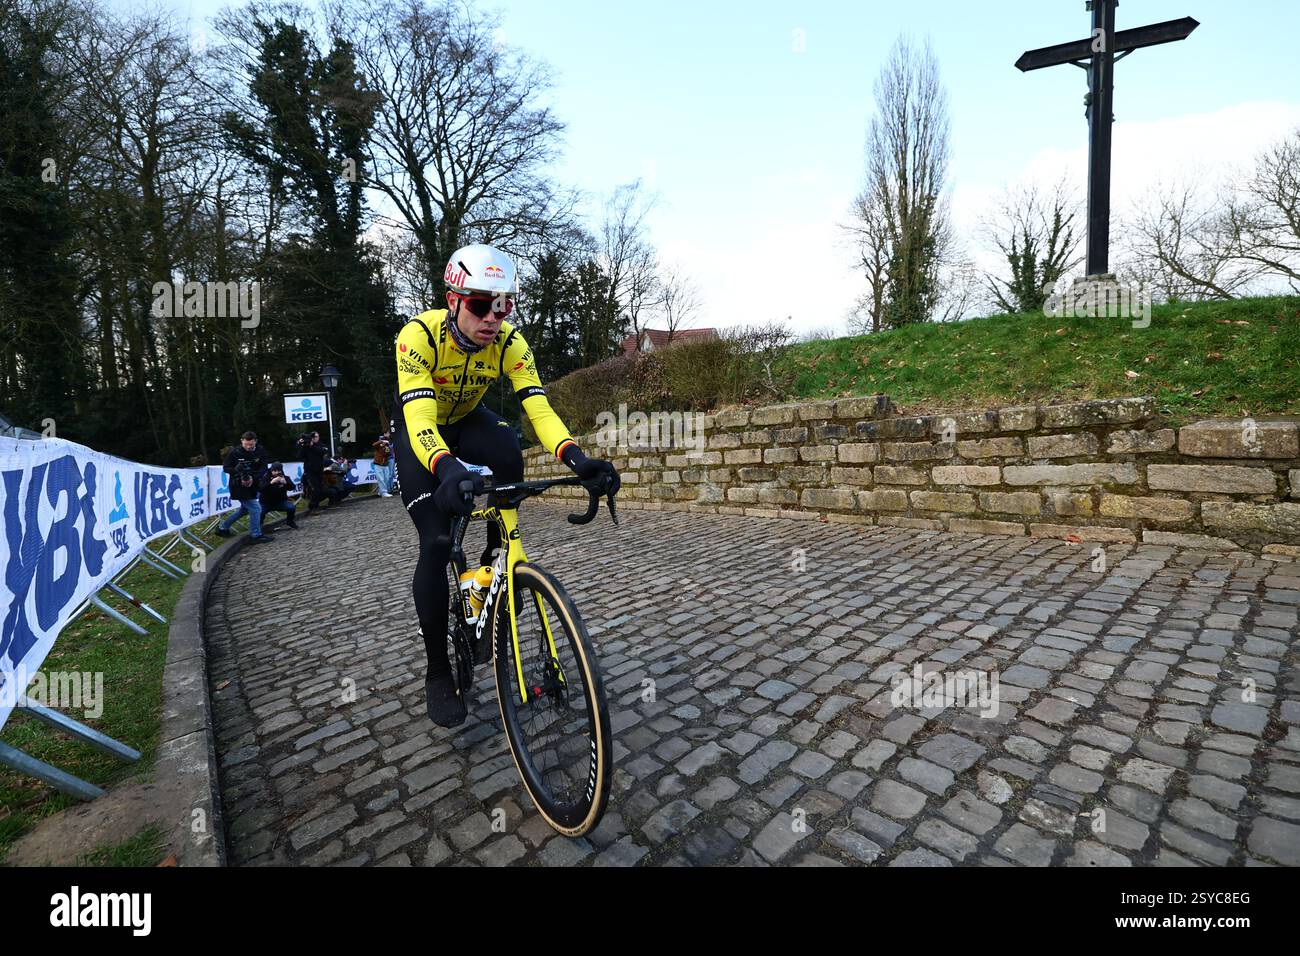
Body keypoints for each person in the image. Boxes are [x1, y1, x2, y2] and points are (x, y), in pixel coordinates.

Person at [394, 242, 619, 727]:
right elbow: (419, 416)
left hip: (469, 418)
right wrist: (445, 465)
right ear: (452, 300)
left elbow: (538, 409)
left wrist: (577, 457)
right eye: (480, 304)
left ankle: (498, 555)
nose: (493, 317)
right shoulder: (417, 338)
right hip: (422, 429)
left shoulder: (511, 342)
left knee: (507, 451)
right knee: (434, 541)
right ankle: (437, 672)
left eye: (504, 304)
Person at [216, 431, 274, 544]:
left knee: (244, 510)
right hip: (238, 485)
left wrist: (253, 477)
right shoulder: (234, 452)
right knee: (256, 509)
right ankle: (256, 535)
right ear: (241, 441)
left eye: (251, 445)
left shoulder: (260, 451)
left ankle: (222, 528)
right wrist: (237, 471)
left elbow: (263, 468)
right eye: (246, 444)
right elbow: (226, 468)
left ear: (255, 442)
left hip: (253, 484)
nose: (248, 447)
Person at [259, 461, 299, 529]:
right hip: (265, 503)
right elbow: (261, 489)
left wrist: (286, 483)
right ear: (271, 470)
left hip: (280, 502)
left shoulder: (285, 477)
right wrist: (271, 483)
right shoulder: (265, 478)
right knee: (260, 512)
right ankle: (259, 527)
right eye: (274, 471)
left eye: (279, 471)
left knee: (291, 507)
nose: (277, 472)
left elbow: (292, 487)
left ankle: (290, 521)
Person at [297, 431, 329, 511]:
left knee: (321, 489)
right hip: (310, 471)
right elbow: (299, 456)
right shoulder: (305, 446)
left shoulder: (320, 445)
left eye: (317, 436)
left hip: (319, 470)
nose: (316, 438)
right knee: (315, 489)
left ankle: (316, 504)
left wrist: (312, 446)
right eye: (314, 437)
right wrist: (301, 445)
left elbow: (323, 451)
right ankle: (312, 506)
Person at [372, 431, 395, 497]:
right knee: (381, 479)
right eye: (385, 440)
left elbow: (388, 454)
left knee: (386, 479)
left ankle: (381, 491)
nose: (386, 442)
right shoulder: (378, 445)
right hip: (378, 464)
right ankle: (384, 493)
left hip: (385, 465)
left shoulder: (388, 447)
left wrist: (387, 447)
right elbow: (373, 445)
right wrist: (381, 442)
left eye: (387, 441)